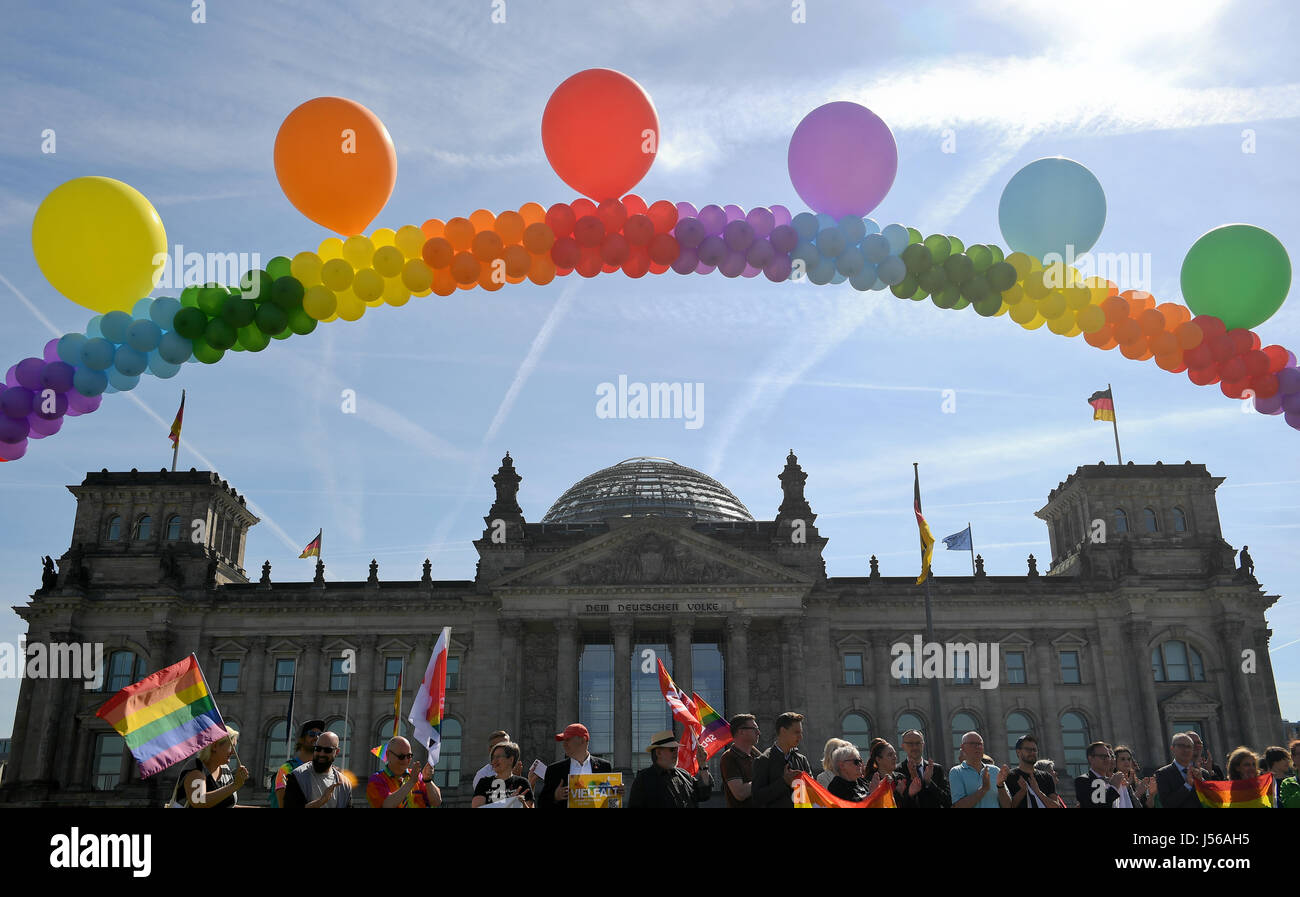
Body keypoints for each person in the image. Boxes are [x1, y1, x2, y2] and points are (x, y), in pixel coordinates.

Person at [627, 730, 712, 808]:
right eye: (672, 749)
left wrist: (702, 764)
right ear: (658, 753)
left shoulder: (684, 774)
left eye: (676, 749)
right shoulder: (643, 779)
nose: (676, 752)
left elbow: (704, 794)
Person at [537, 723, 613, 809]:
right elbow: (541, 804)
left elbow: (611, 803)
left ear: (583, 740)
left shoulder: (604, 767)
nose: (564, 744)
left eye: (568, 739)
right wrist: (555, 796)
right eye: (563, 740)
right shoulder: (554, 770)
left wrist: (616, 793)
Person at [172, 727, 247, 808]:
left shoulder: (225, 770)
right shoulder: (196, 767)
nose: (233, 752)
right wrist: (234, 785)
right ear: (214, 746)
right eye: (231, 746)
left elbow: (227, 805)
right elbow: (198, 801)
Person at [750, 711, 812, 808]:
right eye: (796, 732)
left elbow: (811, 793)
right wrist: (784, 782)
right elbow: (757, 798)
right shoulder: (763, 761)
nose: (800, 737)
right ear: (783, 731)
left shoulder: (801, 760)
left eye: (801, 732)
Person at [367, 736, 440, 808]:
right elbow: (387, 805)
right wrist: (411, 782)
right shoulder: (376, 780)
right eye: (401, 756)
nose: (405, 760)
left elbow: (437, 802)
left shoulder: (417, 776)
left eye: (409, 756)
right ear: (388, 755)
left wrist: (427, 780)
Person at [283, 730, 351, 808]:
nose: (321, 754)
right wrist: (320, 802)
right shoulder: (297, 777)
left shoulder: (345, 784)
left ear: (337, 752)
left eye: (327, 750)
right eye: (318, 749)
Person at [271, 719, 324, 808]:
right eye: (312, 734)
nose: (317, 737)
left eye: (320, 735)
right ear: (301, 739)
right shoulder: (287, 769)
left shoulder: (324, 770)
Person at [949, 731, 1010, 808]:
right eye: (972, 744)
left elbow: (1008, 806)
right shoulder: (956, 772)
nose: (977, 747)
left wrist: (1000, 786)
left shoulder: (995, 770)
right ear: (963, 747)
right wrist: (983, 789)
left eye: (980, 744)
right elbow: (959, 806)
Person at [896, 729, 950, 809]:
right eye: (910, 743)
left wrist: (929, 782)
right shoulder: (897, 771)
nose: (915, 747)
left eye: (918, 743)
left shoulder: (936, 769)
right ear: (903, 746)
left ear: (923, 744)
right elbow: (897, 803)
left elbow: (948, 801)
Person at [473, 740, 533, 807]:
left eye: (498, 756)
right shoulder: (484, 782)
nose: (494, 761)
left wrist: (522, 803)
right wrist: (508, 801)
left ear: (511, 760)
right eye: (493, 757)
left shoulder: (522, 783)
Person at [719, 713, 761, 808]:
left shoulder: (758, 757)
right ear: (741, 732)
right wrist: (764, 778)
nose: (758, 732)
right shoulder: (729, 757)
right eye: (754, 729)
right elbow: (740, 794)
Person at [1005, 735, 1058, 809]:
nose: (1032, 752)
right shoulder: (1009, 777)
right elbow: (1007, 806)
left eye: (1034, 750)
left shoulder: (1047, 777)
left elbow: (1056, 806)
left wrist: (1038, 792)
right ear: (1018, 752)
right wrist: (1022, 791)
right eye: (1028, 749)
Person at [1155, 732, 1203, 809]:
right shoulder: (1163, 773)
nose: (1186, 750)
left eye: (1189, 746)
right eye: (1181, 746)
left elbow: (1211, 801)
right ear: (1172, 748)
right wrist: (1187, 785)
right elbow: (1167, 804)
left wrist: (1201, 783)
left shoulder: (1202, 773)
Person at [1075, 741, 1128, 808]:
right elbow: (1099, 805)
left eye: (1108, 756)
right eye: (1102, 756)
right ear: (1090, 758)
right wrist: (1114, 787)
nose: (1107, 760)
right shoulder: (1083, 780)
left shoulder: (1112, 781)